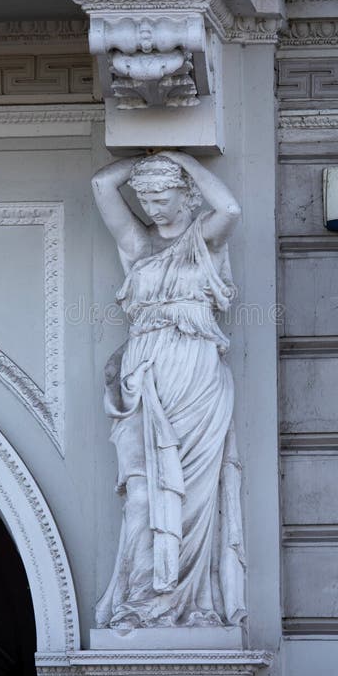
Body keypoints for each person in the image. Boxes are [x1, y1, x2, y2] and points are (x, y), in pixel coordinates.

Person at [92, 151, 246, 629]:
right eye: (146, 199)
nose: (154, 207)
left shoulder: (206, 241)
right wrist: (145, 157)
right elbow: (101, 185)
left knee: (194, 495)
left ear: (186, 195)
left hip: (197, 376)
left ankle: (187, 602)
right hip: (144, 380)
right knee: (142, 494)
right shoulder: (138, 246)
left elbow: (231, 210)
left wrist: (180, 158)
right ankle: (143, 600)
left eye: (163, 196)